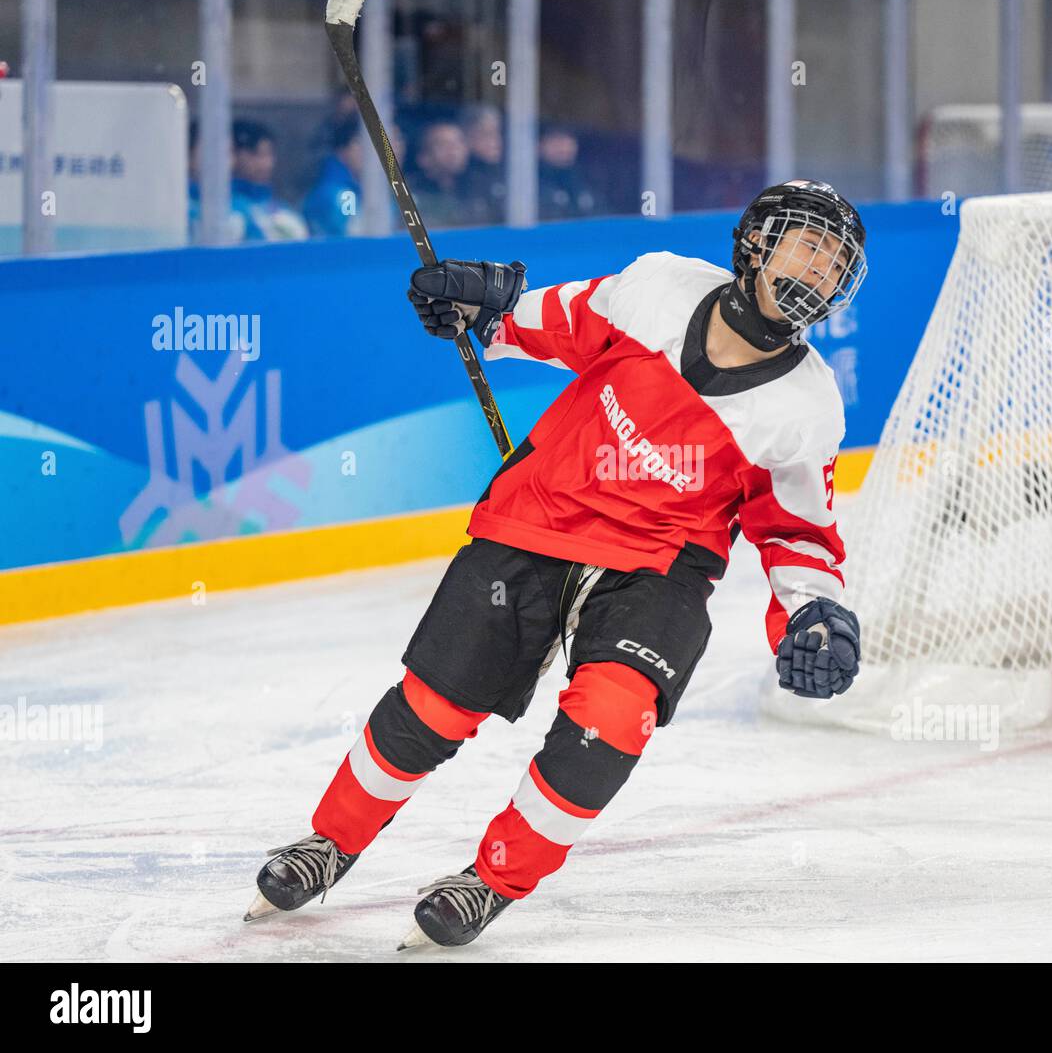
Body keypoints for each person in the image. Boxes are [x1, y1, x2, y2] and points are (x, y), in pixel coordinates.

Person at [246, 180, 868, 949]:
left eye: (837, 262)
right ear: (756, 244)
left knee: (609, 727)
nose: (820, 269)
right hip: (540, 518)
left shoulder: (805, 407)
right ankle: (328, 842)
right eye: (808, 244)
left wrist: (815, 610)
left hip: (659, 570)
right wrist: (481, 307)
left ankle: (491, 879)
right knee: (432, 709)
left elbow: (799, 531)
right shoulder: (661, 286)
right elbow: (554, 320)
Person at [230, 119, 309, 242]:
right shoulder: (227, 209)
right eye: (257, 154)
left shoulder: (283, 209)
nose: (266, 164)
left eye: (269, 155)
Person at [408, 119, 485, 227]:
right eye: (443, 144)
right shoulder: (409, 193)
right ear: (423, 157)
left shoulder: (480, 186)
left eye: (459, 142)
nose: (454, 150)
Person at [303, 114, 365, 238]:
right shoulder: (342, 195)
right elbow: (348, 237)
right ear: (342, 150)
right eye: (359, 143)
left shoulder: (354, 188)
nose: (367, 151)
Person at [537, 121, 600, 219]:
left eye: (569, 142)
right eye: (557, 141)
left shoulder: (584, 180)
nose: (565, 148)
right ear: (539, 146)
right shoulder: (528, 186)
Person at [461, 103, 506, 223]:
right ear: (465, 137)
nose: (495, 141)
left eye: (497, 133)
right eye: (485, 134)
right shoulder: (461, 177)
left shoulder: (509, 174)